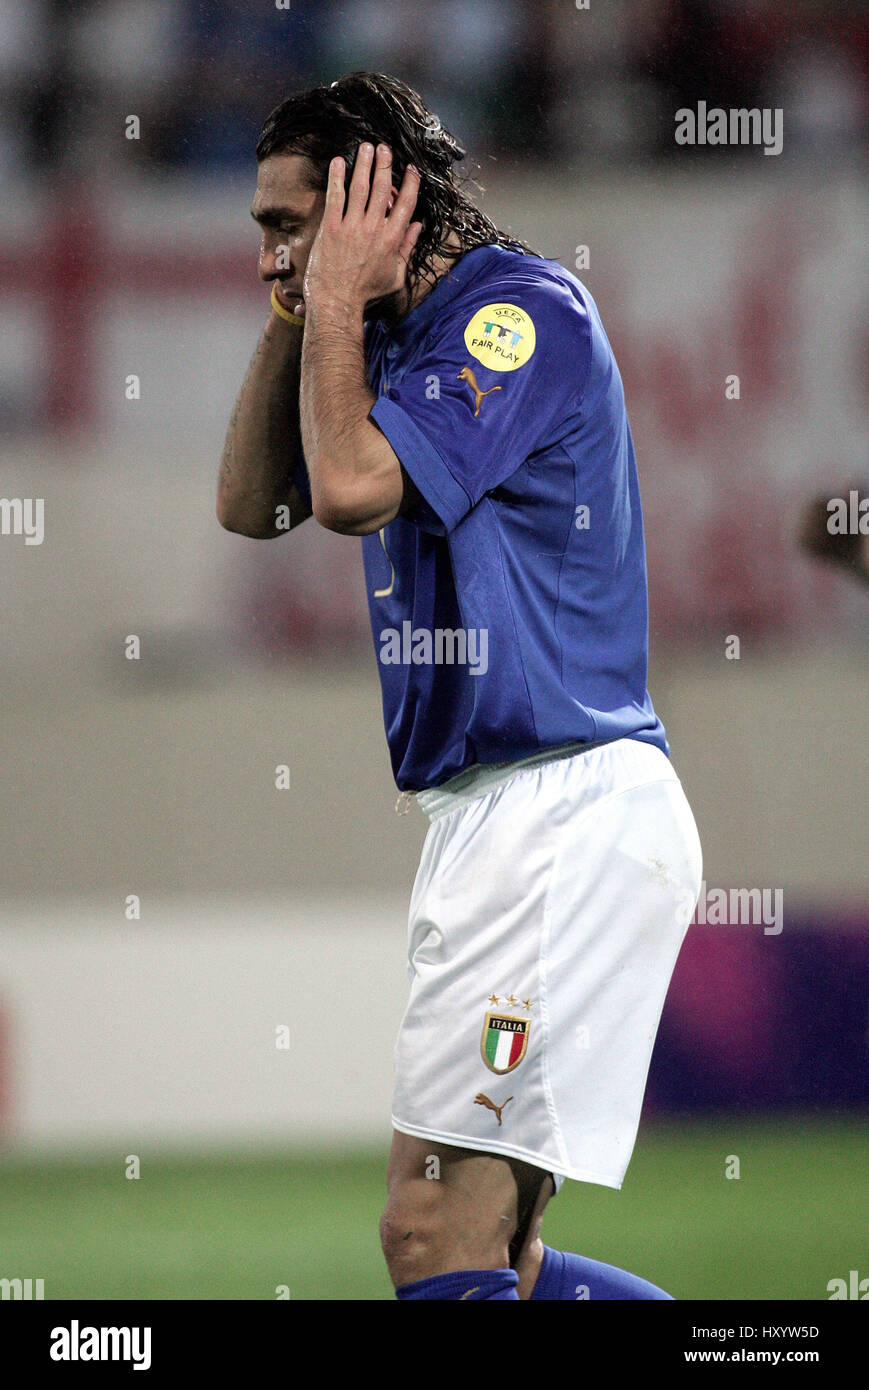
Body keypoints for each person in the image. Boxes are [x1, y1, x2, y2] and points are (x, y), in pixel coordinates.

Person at [217, 72, 703, 1302]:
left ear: (378, 207)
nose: (270, 253)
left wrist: (328, 301)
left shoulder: (519, 314)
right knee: (497, 1256)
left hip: (556, 812)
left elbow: (349, 492)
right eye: (264, 229)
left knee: (428, 1236)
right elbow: (250, 504)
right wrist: (305, 305)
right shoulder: (377, 333)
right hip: (497, 820)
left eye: (291, 223)